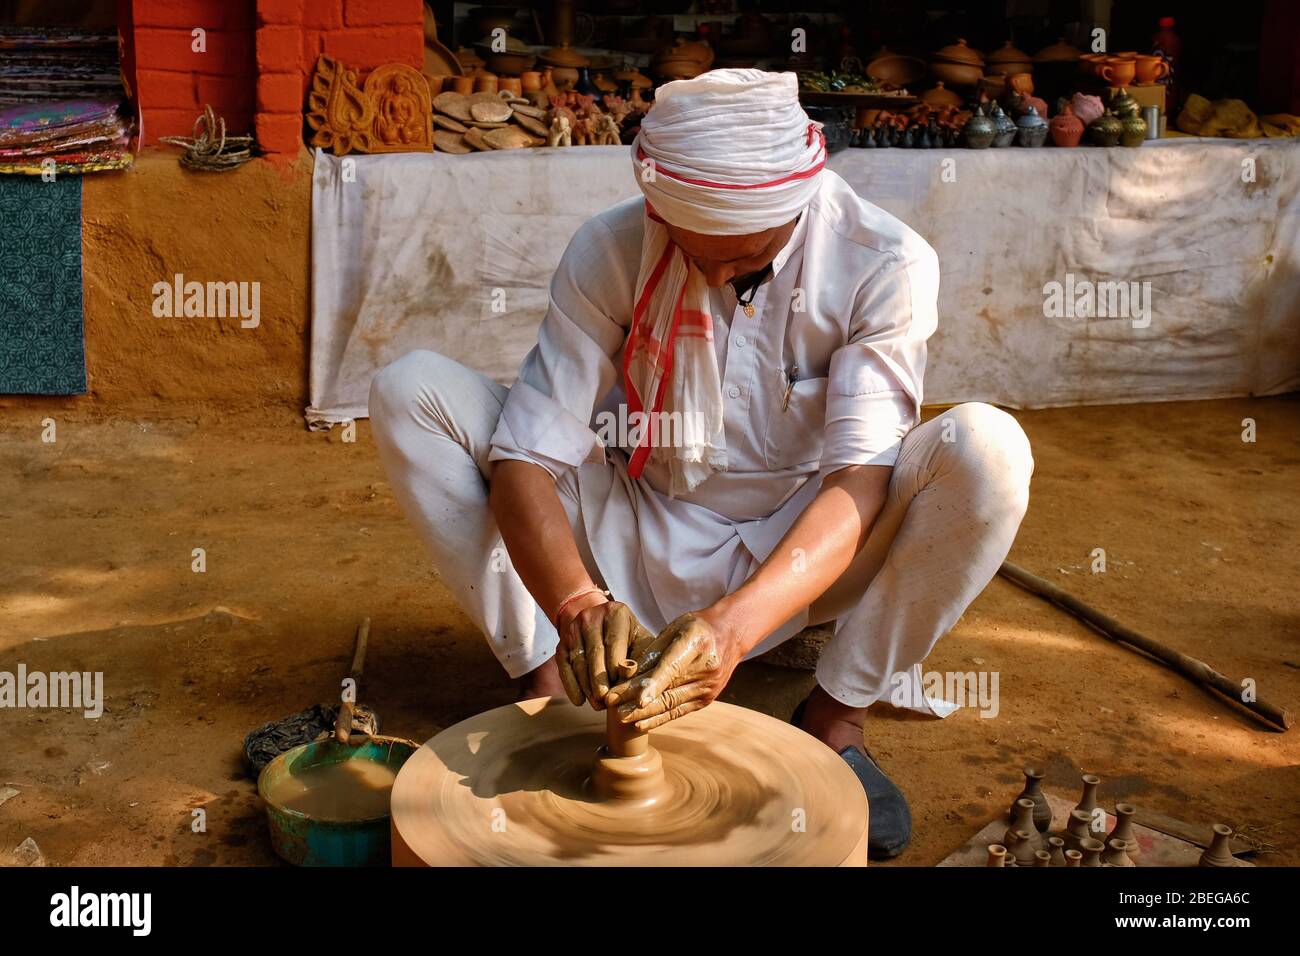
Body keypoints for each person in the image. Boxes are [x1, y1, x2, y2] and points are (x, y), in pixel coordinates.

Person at [370, 69, 1033, 860]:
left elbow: (859, 480)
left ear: (794, 208)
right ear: (660, 211)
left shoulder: (882, 263)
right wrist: (577, 601)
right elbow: (527, 459)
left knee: (989, 452)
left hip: (803, 539)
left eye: (746, 260)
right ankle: (547, 686)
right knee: (410, 390)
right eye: (695, 255)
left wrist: (733, 627)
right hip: (632, 518)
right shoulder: (614, 247)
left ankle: (836, 717)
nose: (718, 279)